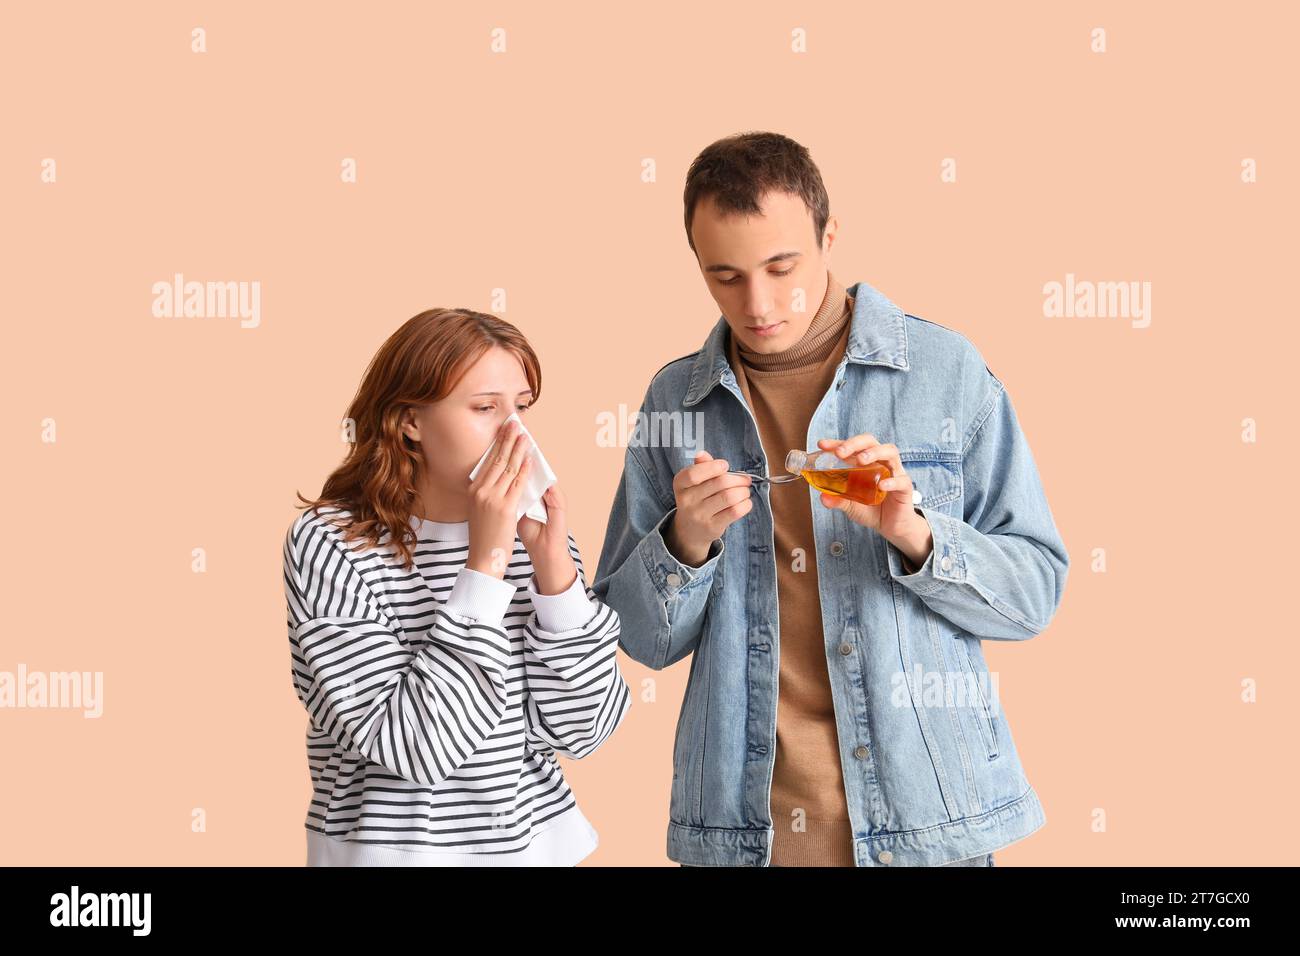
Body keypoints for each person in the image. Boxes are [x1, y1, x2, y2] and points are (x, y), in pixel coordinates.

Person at [593, 131, 1069, 867]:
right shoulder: (673, 402)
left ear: (830, 235)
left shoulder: (944, 371)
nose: (757, 304)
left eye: (781, 266)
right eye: (725, 276)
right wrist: (684, 545)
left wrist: (914, 532)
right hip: (742, 835)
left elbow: (1033, 594)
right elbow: (637, 639)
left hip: (927, 832)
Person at [284, 308, 631, 866]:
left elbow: (583, 731)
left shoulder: (535, 535)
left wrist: (558, 586)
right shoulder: (331, 543)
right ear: (409, 421)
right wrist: (485, 565)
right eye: (484, 408)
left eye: (520, 407)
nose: (515, 433)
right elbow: (416, 748)